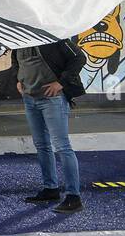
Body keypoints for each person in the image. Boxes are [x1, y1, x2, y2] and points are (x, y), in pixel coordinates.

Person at [15, 38, 86, 213]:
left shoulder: (53, 36)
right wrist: (18, 78)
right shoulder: (18, 39)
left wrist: (61, 83)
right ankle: (51, 189)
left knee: (62, 146)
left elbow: (79, 57)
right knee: (42, 145)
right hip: (30, 98)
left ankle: (73, 197)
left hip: (52, 99)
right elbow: (16, 62)